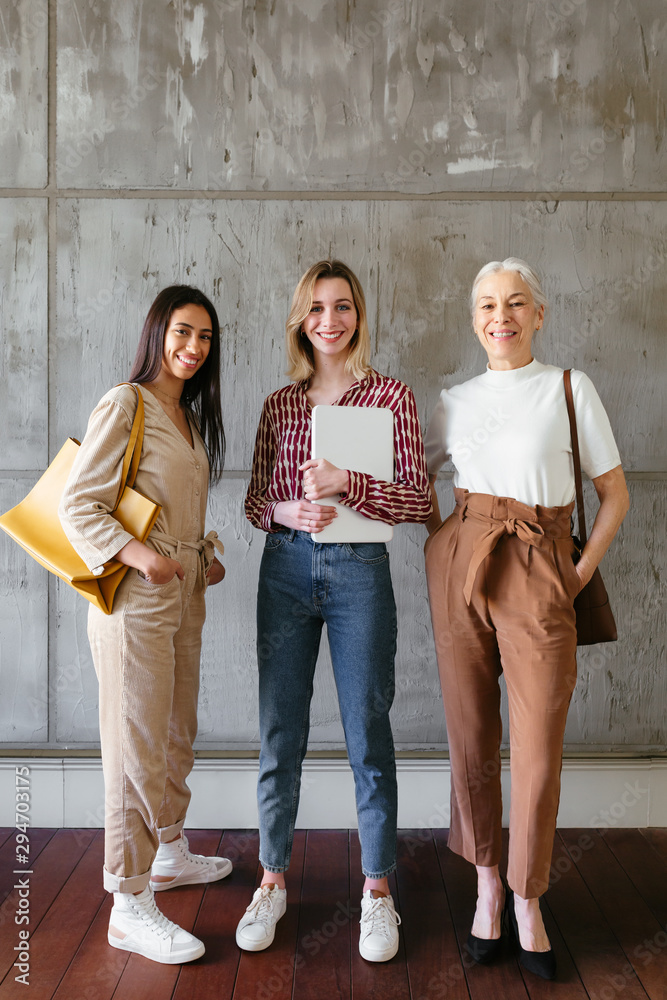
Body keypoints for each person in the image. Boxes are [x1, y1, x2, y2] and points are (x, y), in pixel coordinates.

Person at [423, 258, 629, 980]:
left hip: (541, 563)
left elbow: (614, 494)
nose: (498, 316)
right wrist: (440, 545)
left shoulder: (569, 389)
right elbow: (414, 477)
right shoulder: (451, 400)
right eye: (485, 305)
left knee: (537, 746)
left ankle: (526, 894)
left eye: (514, 303)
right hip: (462, 560)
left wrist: (571, 576)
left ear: (537, 314)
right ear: (473, 317)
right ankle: (484, 882)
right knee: (470, 733)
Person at [237, 259, 431, 962]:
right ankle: (271, 880)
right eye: (316, 308)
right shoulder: (278, 405)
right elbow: (254, 502)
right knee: (278, 731)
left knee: (367, 734)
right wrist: (281, 508)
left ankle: (376, 894)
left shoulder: (390, 396)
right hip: (285, 569)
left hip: (359, 571)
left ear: (358, 314)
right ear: (300, 318)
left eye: (342, 306)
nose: (329, 320)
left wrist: (350, 481)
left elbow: (419, 500)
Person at [59, 285, 230, 965]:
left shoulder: (184, 416)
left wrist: (202, 558)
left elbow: (173, 509)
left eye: (205, 338)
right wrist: (143, 558)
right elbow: (79, 505)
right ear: (157, 331)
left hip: (184, 595)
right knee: (133, 746)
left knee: (174, 729)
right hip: (136, 598)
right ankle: (128, 903)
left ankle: (170, 852)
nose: (192, 348)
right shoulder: (125, 403)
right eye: (182, 332)